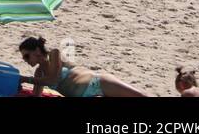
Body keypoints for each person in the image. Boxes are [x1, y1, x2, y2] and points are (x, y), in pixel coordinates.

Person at [17, 37, 147, 97]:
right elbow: (36, 96)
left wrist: (25, 79)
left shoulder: (54, 54)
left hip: (96, 82)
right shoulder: (39, 74)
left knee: (140, 96)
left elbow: (53, 79)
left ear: (37, 51)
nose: (25, 60)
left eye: (27, 56)